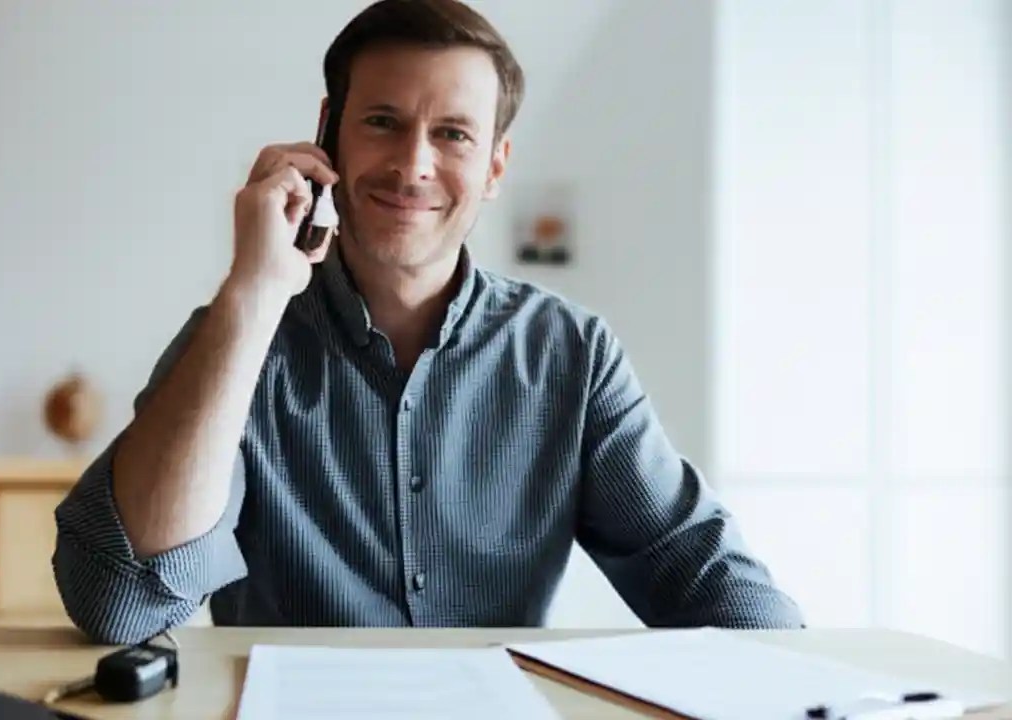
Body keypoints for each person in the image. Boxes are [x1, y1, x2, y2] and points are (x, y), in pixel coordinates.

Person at [52, 0, 803, 644]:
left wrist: (803, 682)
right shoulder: (239, 338)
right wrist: (252, 293)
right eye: (383, 121)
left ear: (495, 168)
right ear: (328, 134)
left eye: (453, 134)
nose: (413, 164)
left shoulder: (571, 354)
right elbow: (118, 604)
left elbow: (695, 567)